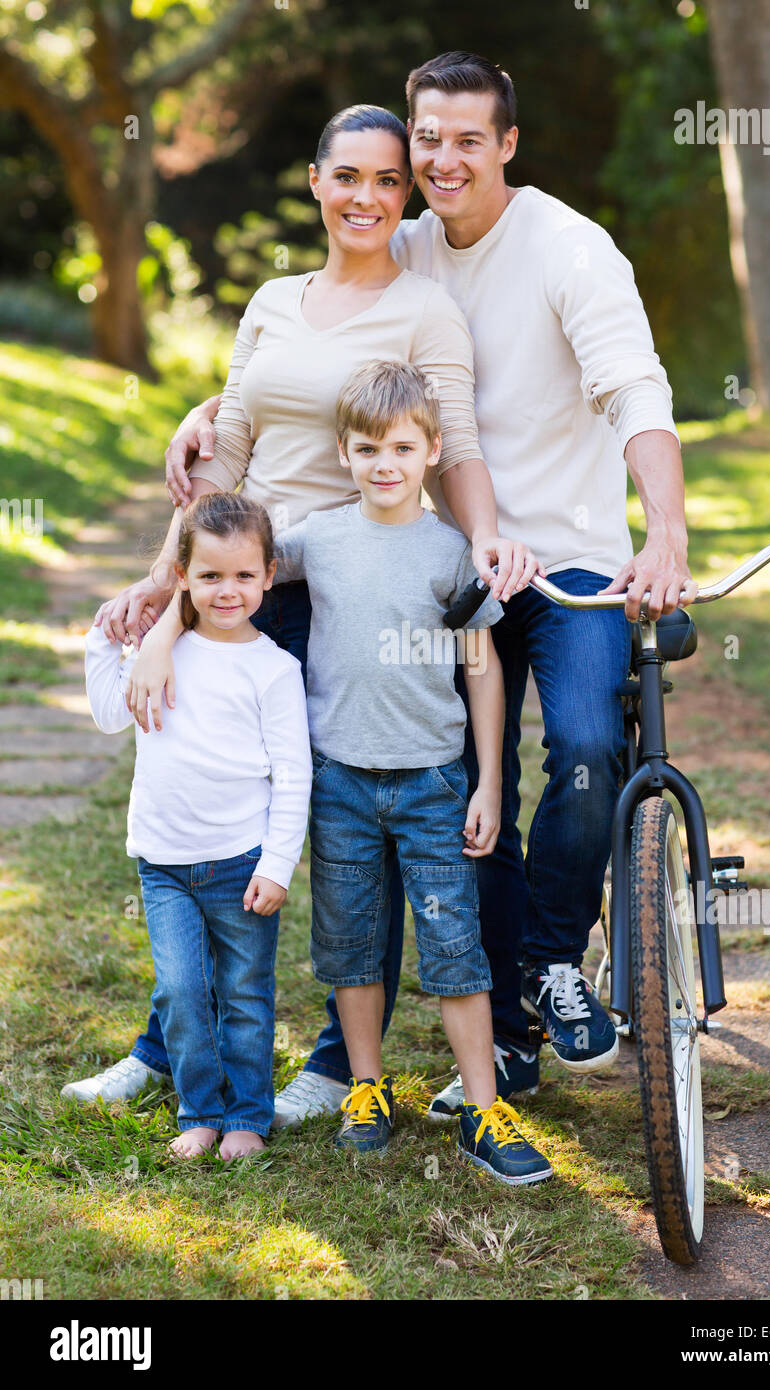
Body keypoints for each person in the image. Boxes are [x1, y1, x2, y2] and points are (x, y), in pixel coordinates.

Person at [147, 52, 700, 1126]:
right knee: (456, 790)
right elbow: (300, 332)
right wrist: (206, 416)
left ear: (505, 146)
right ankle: (502, 1025)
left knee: (585, 745)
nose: (438, 162)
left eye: (463, 142)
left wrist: (665, 528)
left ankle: (544, 964)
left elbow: (636, 388)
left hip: (568, 555)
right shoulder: (399, 233)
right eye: (424, 142)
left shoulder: (567, 249)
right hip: (438, 565)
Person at [62, 101, 539, 1122]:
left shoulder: (423, 310)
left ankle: (334, 1064)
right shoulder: (273, 302)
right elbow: (227, 453)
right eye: (347, 177)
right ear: (316, 183)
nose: (367, 196)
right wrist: (163, 592)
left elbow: (450, 442)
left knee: (360, 824)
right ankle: (165, 1039)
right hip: (239, 587)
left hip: (340, 597)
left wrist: (483, 544)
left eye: (386, 182)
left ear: (400, 197)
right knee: (207, 823)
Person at [133, 359, 552, 1184]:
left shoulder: (452, 554)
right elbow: (226, 569)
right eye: (367, 448)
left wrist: (491, 783)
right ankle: (366, 1088)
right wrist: (158, 627)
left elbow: (483, 671)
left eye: (402, 447)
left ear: (433, 450)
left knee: (453, 947)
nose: (384, 464)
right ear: (344, 451)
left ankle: (481, 1102)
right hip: (340, 784)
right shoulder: (317, 538)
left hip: (433, 782)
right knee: (352, 946)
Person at [79, 492, 312, 1159]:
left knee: (244, 996)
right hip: (165, 865)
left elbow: (293, 776)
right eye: (210, 576)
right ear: (181, 575)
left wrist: (276, 866)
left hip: (241, 863)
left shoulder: (274, 669)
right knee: (182, 992)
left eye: (243, 576)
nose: (227, 590)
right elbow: (108, 714)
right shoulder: (161, 654)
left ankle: (246, 1116)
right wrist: (103, 639)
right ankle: (199, 1112)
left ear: (269, 574)